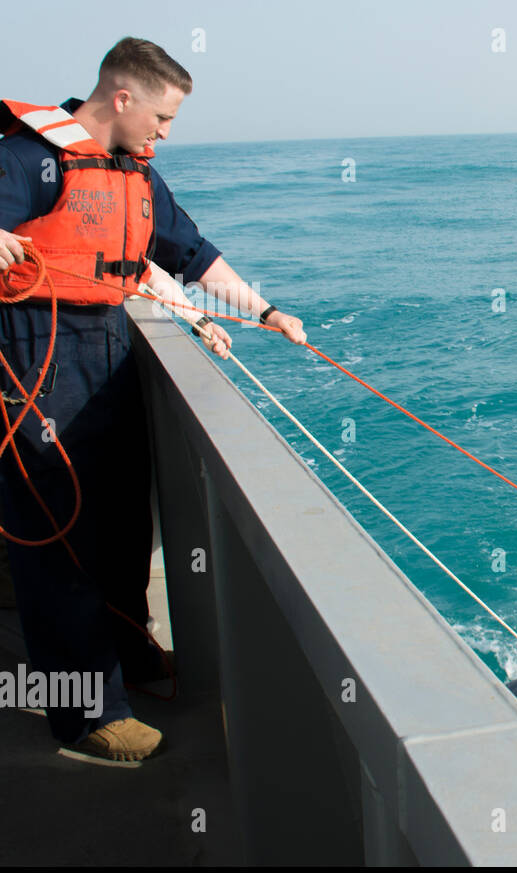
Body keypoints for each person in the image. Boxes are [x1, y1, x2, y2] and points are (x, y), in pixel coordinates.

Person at [0, 37, 307, 761]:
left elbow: (192, 254)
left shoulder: (134, 174)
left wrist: (265, 312)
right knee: (58, 537)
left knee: (119, 521)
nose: (165, 134)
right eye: (162, 118)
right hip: (36, 357)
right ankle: (86, 718)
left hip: (107, 354)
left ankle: (130, 651)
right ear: (122, 98)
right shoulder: (28, 156)